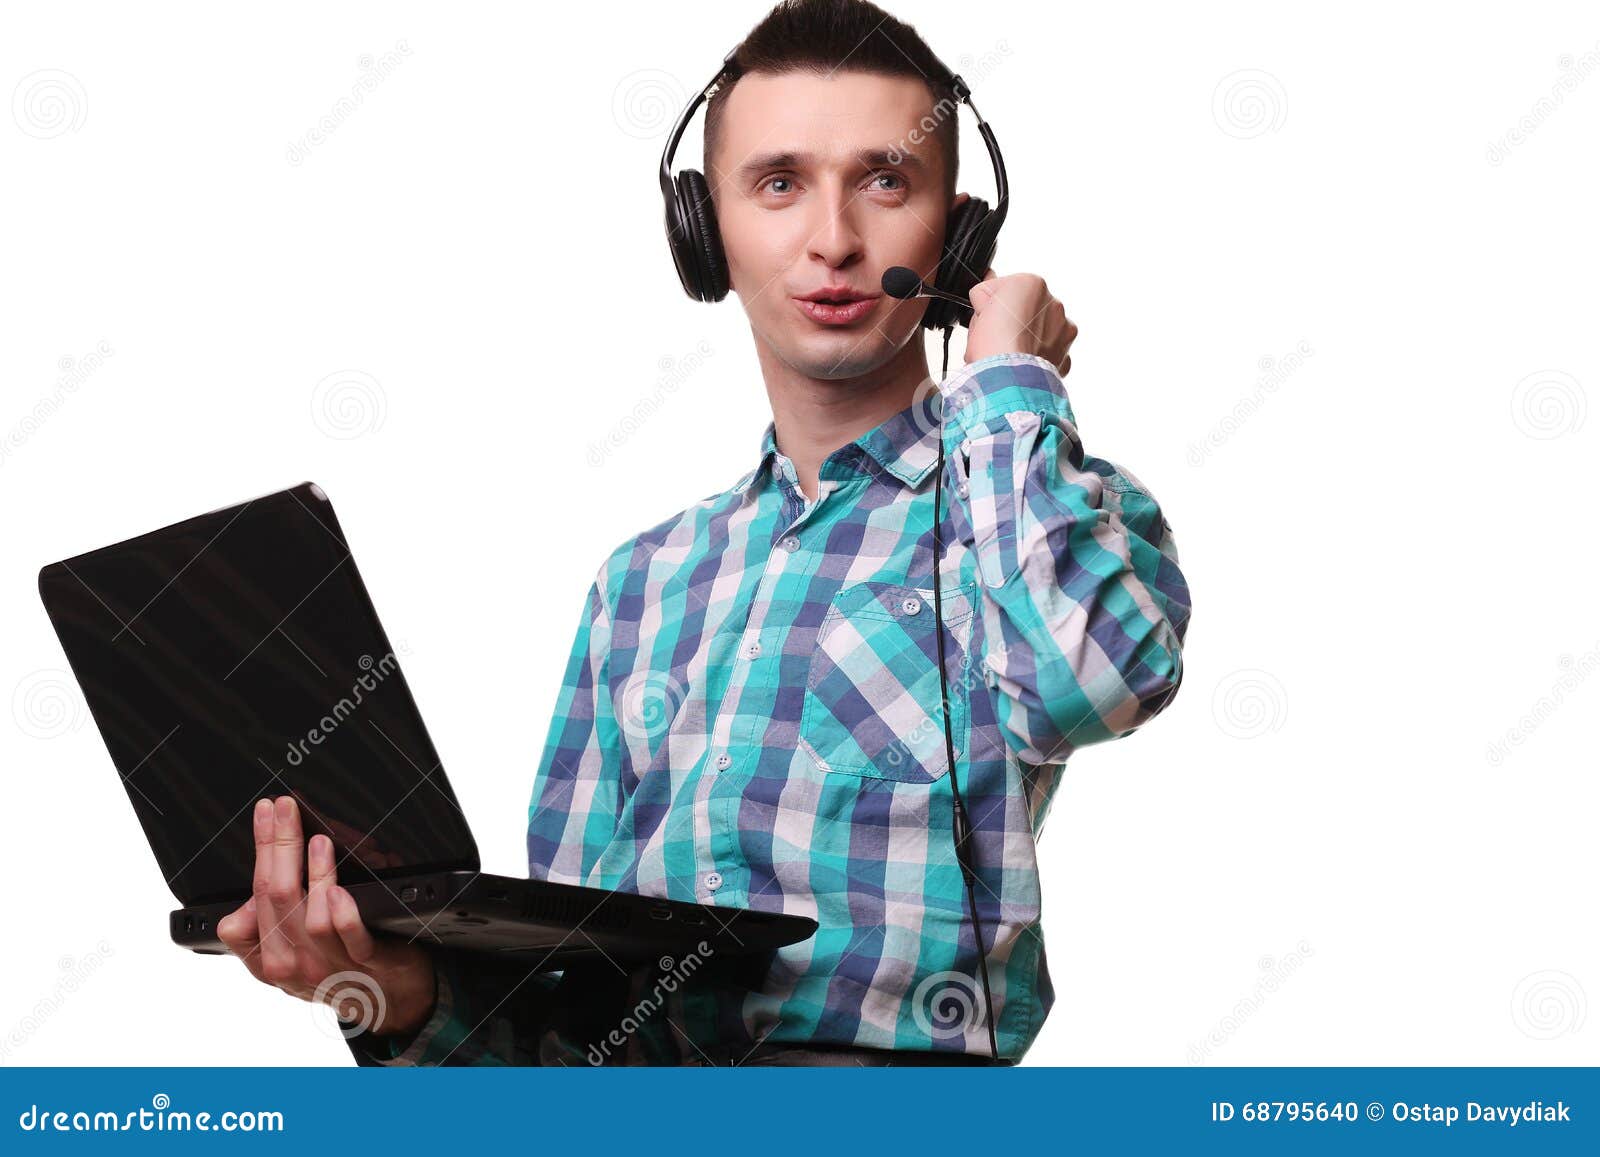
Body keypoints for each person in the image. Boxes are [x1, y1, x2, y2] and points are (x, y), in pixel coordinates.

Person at [216, 0, 1192, 1066]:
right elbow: (566, 1024)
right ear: (705, 229)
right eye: (778, 184)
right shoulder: (642, 585)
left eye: (883, 180)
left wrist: (1011, 376)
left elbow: (1089, 681)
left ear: (958, 237)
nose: (832, 238)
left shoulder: (1040, 501)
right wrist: (394, 991)